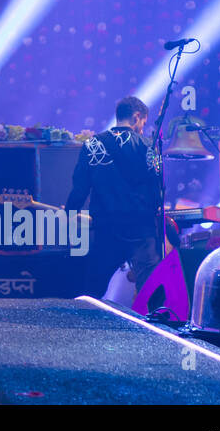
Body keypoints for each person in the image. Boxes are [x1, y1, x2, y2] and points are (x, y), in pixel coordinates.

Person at [65, 95, 162, 298]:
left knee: (94, 291)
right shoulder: (148, 146)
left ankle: (87, 328)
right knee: (150, 292)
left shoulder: (92, 145)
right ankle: (153, 328)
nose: (142, 129)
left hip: (107, 228)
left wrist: (70, 213)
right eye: (143, 123)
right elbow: (157, 188)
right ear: (137, 117)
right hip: (141, 230)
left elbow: (80, 188)